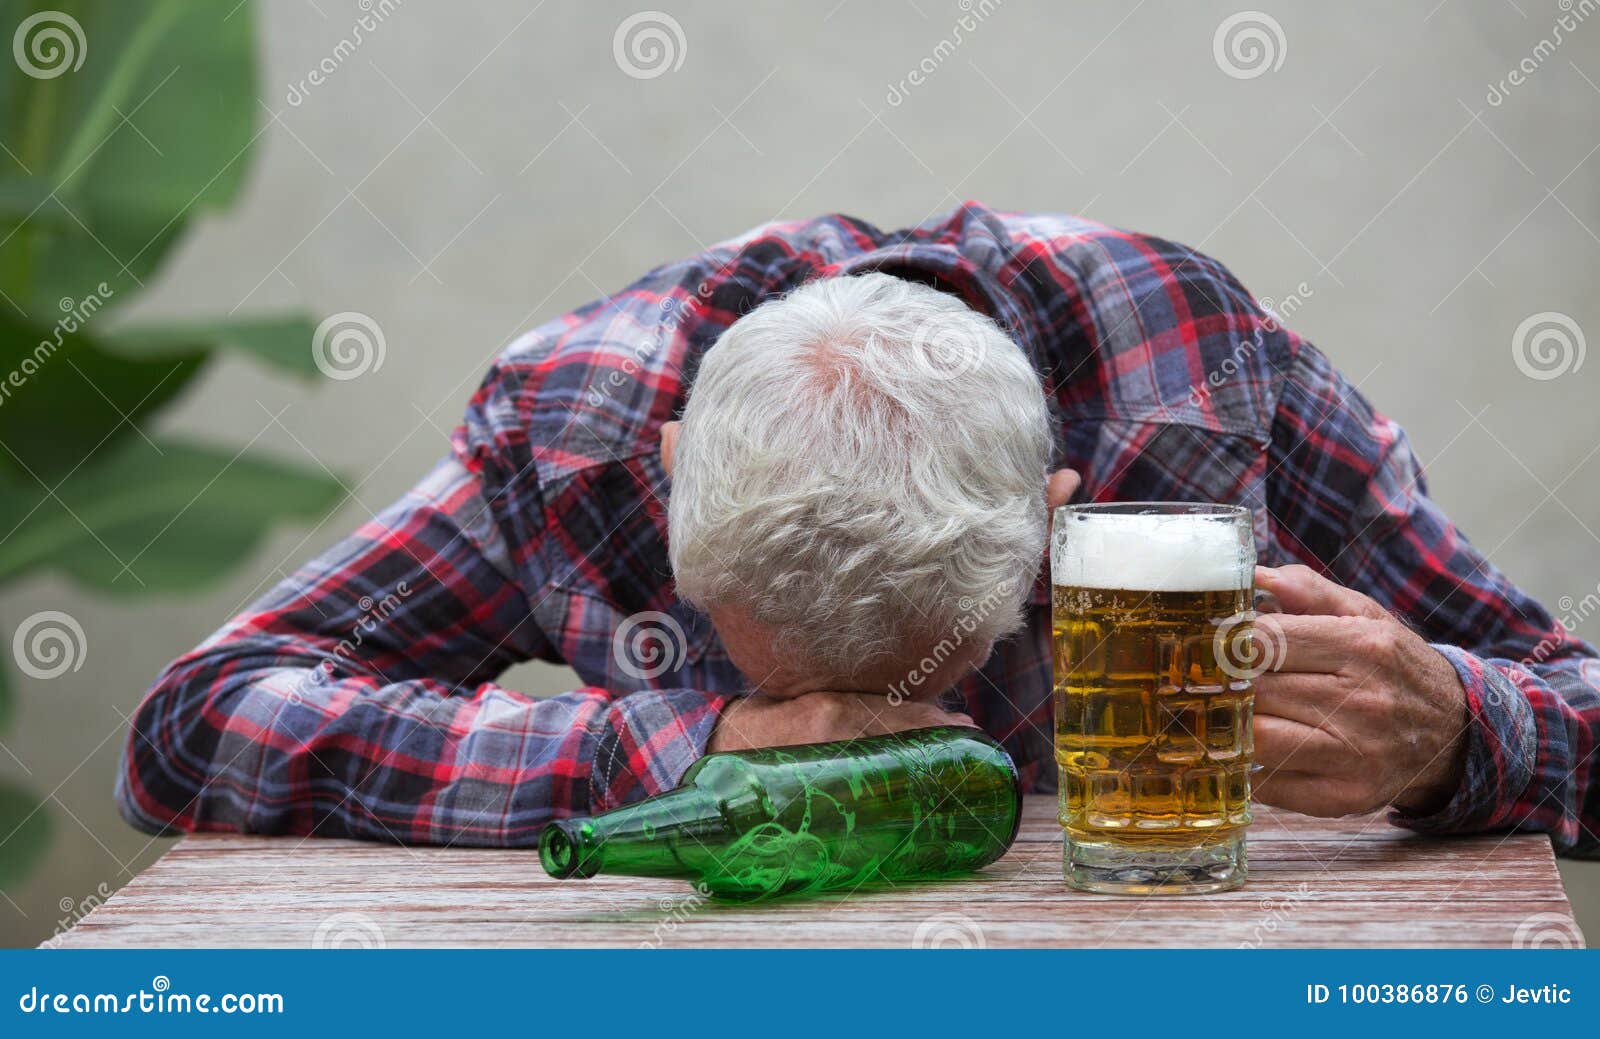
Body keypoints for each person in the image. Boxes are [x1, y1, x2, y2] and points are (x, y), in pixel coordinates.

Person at [116, 203, 1599, 855]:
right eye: (781, 680)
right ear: (677, 471)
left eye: (923, 674)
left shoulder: (1201, 381)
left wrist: (1471, 733)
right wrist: (683, 745)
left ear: (1056, 524)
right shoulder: (581, 438)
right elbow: (194, 728)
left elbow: (1578, 715)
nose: (876, 731)